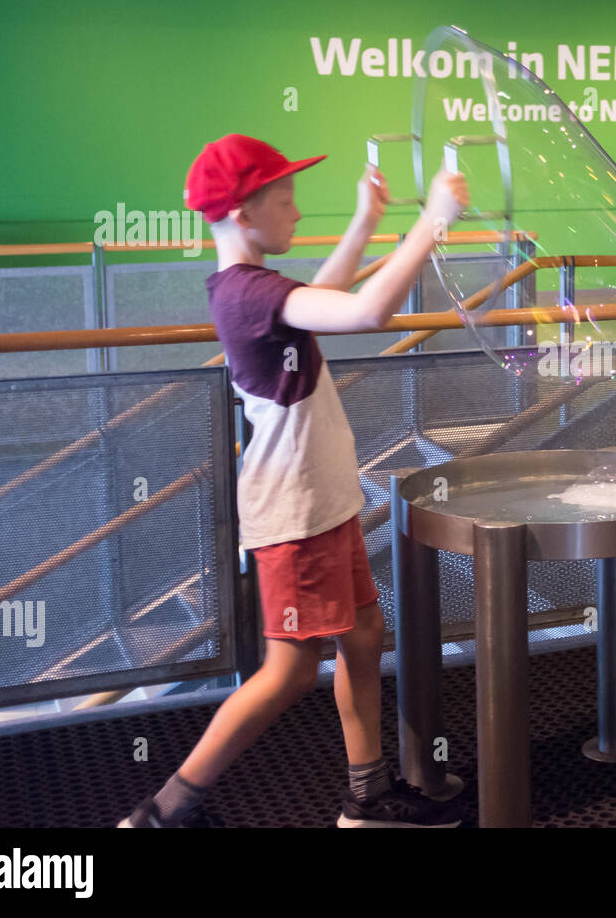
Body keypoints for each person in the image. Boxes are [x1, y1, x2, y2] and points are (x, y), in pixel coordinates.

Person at [119, 134, 469, 827]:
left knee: (363, 635)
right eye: (285, 199)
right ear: (243, 214)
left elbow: (320, 299)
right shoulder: (249, 293)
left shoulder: (251, 288)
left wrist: (366, 222)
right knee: (289, 671)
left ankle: (368, 796)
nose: (297, 212)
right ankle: (163, 812)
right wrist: (433, 221)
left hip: (321, 504)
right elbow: (365, 312)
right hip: (295, 514)